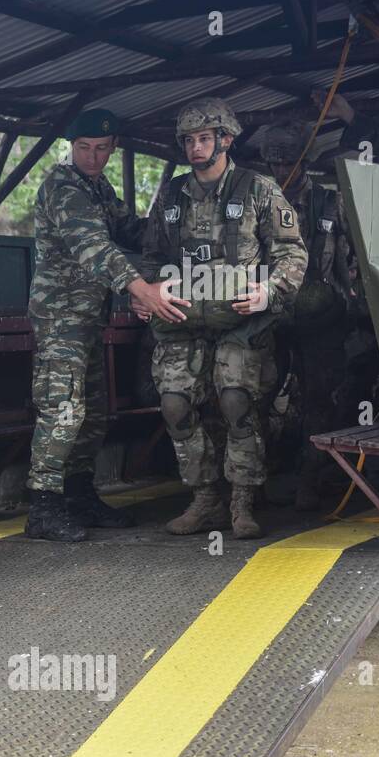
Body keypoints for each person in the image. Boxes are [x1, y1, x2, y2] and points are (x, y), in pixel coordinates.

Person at [134, 97, 307, 538]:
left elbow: (292, 252)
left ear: (226, 140)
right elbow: (152, 255)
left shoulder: (258, 188)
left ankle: (243, 501)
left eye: (204, 138)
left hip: (241, 321)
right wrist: (146, 293)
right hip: (183, 320)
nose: (195, 147)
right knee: (175, 406)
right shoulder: (172, 193)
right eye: (189, 140)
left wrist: (269, 290)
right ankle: (204, 498)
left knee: (236, 402)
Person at [24, 108, 167, 542]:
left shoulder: (98, 186)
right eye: (84, 148)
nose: (92, 157)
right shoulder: (64, 187)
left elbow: (129, 230)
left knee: (92, 413)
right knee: (62, 409)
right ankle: (42, 507)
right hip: (60, 318)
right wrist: (142, 290)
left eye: (101, 149)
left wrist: (174, 228)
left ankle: (79, 495)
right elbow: (94, 247)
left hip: (86, 318)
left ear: (113, 148)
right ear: (71, 147)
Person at [257, 120, 358, 510]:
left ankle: (311, 481)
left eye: (289, 162)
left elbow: (355, 260)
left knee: (320, 400)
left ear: (305, 161)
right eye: (276, 163)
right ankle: (255, 481)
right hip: (269, 313)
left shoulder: (330, 203)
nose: (283, 171)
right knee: (254, 397)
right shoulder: (258, 202)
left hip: (322, 317)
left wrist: (351, 298)